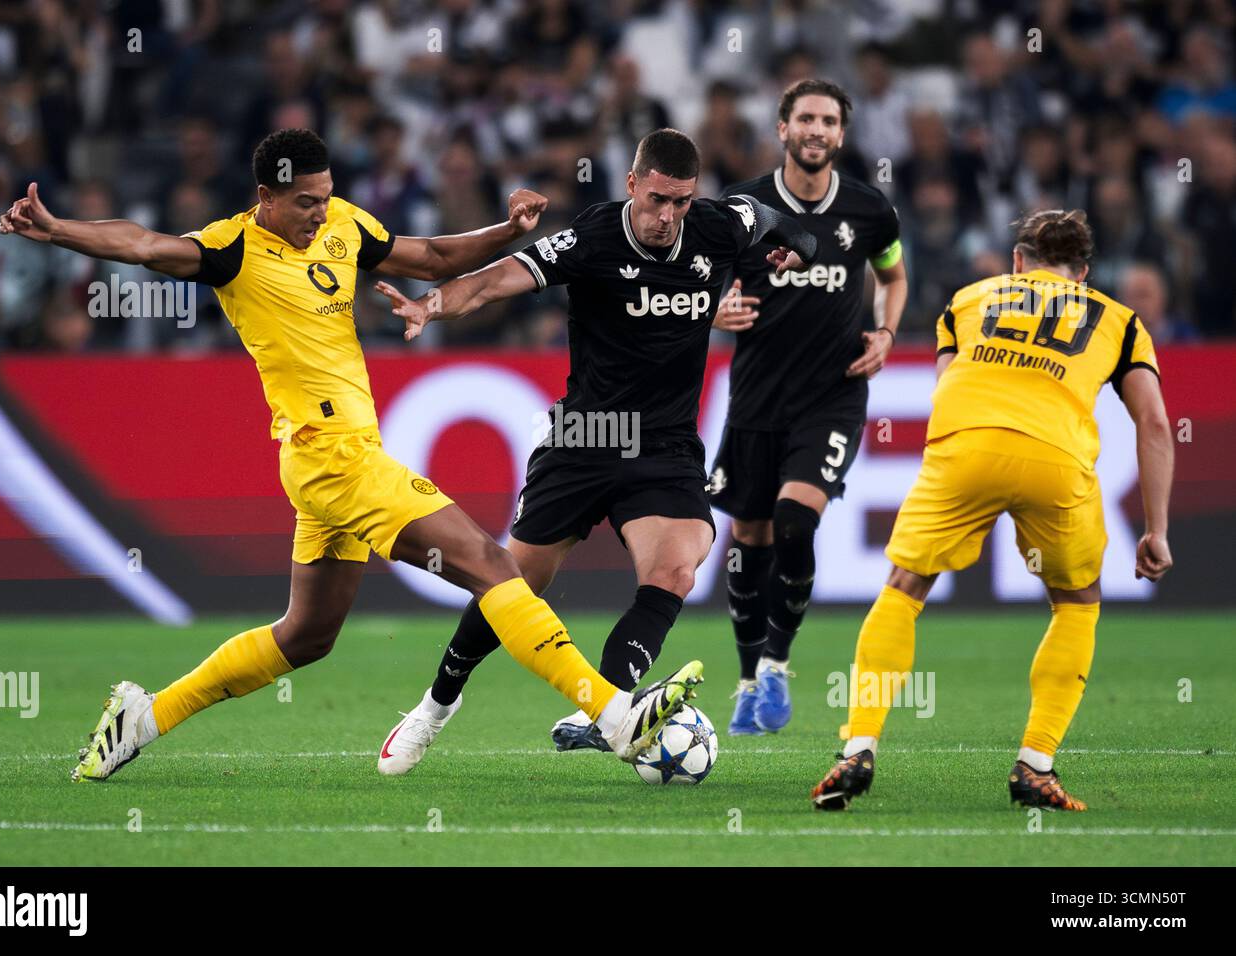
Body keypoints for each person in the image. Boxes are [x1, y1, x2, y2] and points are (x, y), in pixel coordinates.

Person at [0, 128, 704, 781]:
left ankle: (145, 715)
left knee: (305, 636)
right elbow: (144, 244)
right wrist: (59, 232)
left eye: (327, 196)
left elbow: (429, 257)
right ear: (265, 196)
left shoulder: (342, 226)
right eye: (305, 201)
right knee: (493, 565)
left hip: (337, 460)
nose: (319, 212)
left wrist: (505, 231)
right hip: (331, 459)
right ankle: (614, 715)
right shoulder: (232, 248)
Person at [373, 128, 820, 772]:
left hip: (664, 442)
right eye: (658, 199)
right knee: (514, 581)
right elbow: (500, 280)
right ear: (633, 184)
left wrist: (792, 250)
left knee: (676, 569)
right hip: (587, 437)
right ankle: (436, 705)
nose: (669, 216)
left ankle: (604, 711)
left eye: (682, 202)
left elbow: (781, 219)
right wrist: (431, 307)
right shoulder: (593, 237)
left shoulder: (718, 227)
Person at [810, 209, 1174, 812]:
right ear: (1083, 273)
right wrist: (1156, 529)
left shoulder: (968, 299)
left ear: (1016, 262)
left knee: (903, 587)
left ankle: (859, 746)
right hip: (1054, 459)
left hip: (965, 447)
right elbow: (1155, 423)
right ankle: (1035, 764)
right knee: (1077, 604)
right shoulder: (1121, 320)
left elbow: (948, 386)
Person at [709, 79, 906, 735]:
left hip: (832, 396)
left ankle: (776, 664)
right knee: (748, 540)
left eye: (828, 121)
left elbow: (895, 274)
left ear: (841, 135)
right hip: (756, 400)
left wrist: (885, 331)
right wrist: (717, 309)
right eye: (806, 119)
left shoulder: (870, 210)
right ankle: (745, 680)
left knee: (796, 519)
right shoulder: (742, 208)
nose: (817, 130)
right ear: (783, 129)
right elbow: (694, 281)